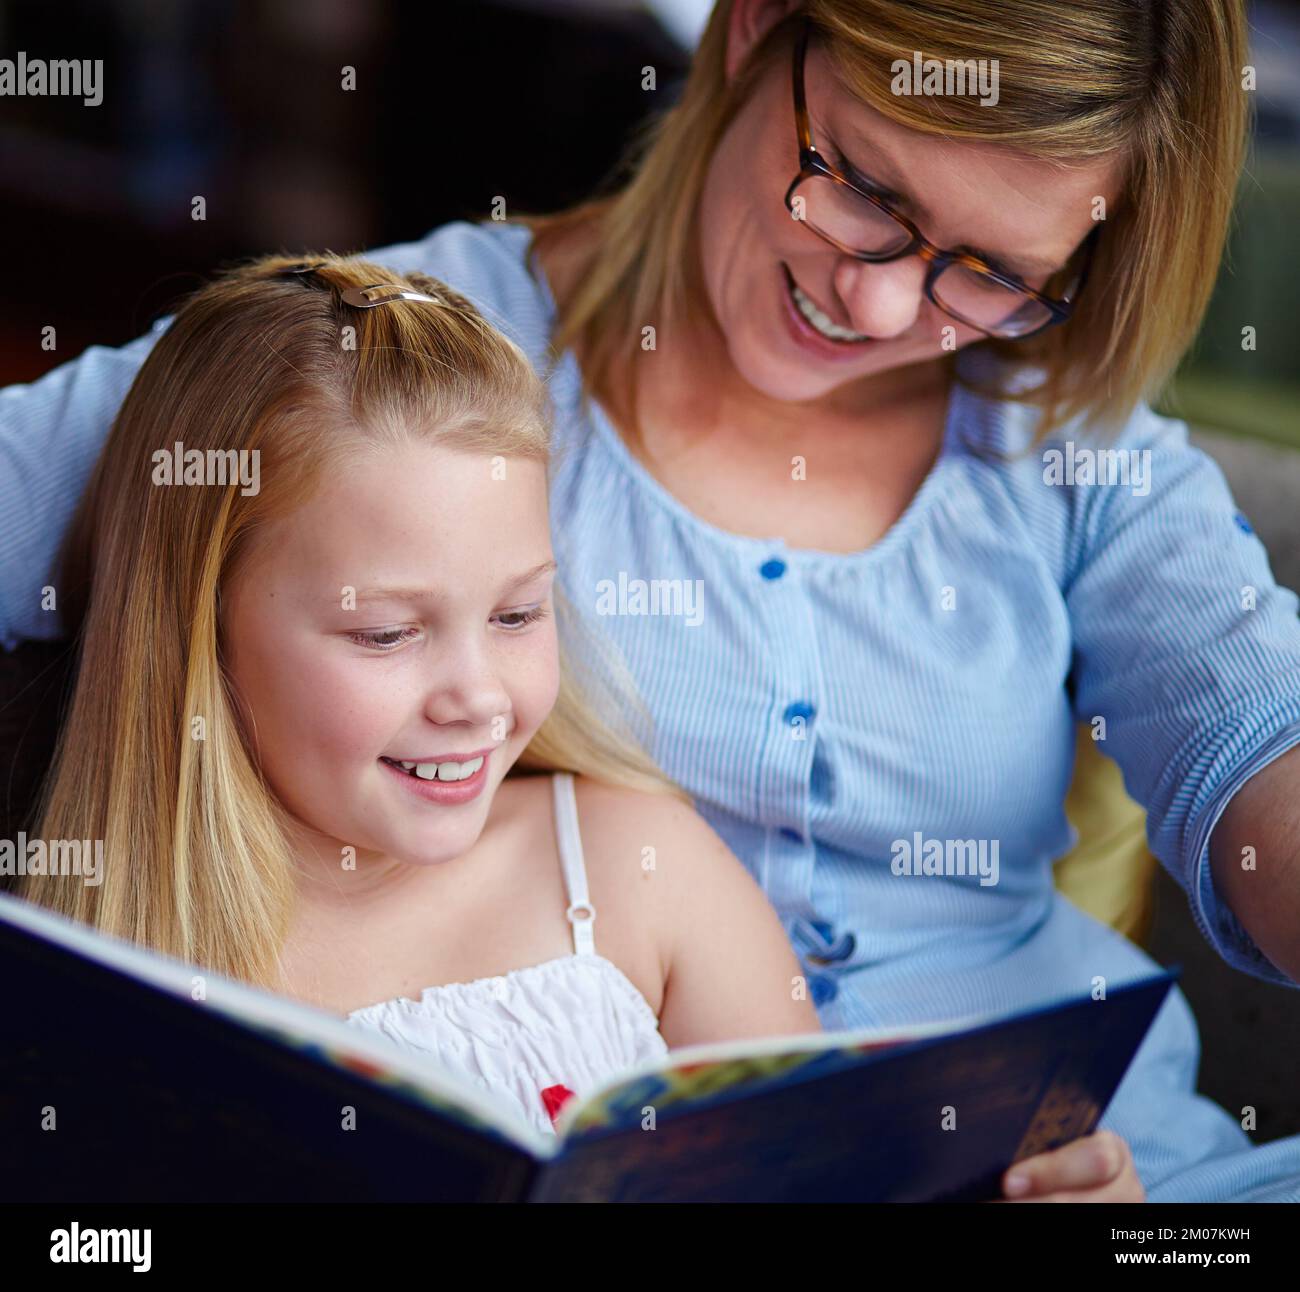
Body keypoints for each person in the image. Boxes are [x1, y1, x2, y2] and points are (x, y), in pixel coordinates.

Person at [2, 0, 1296, 1199]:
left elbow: (1262, 748)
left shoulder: (1076, 448)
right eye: (865, 191)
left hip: (1119, 1178)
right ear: (753, 31)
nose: (882, 299)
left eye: (994, 271)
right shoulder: (390, 385)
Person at [11, 254, 820, 1138]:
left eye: (517, 614)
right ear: (196, 625)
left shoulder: (642, 868)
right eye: (387, 634)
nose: (477, 698)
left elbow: (824, 1166)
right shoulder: (99, 983)